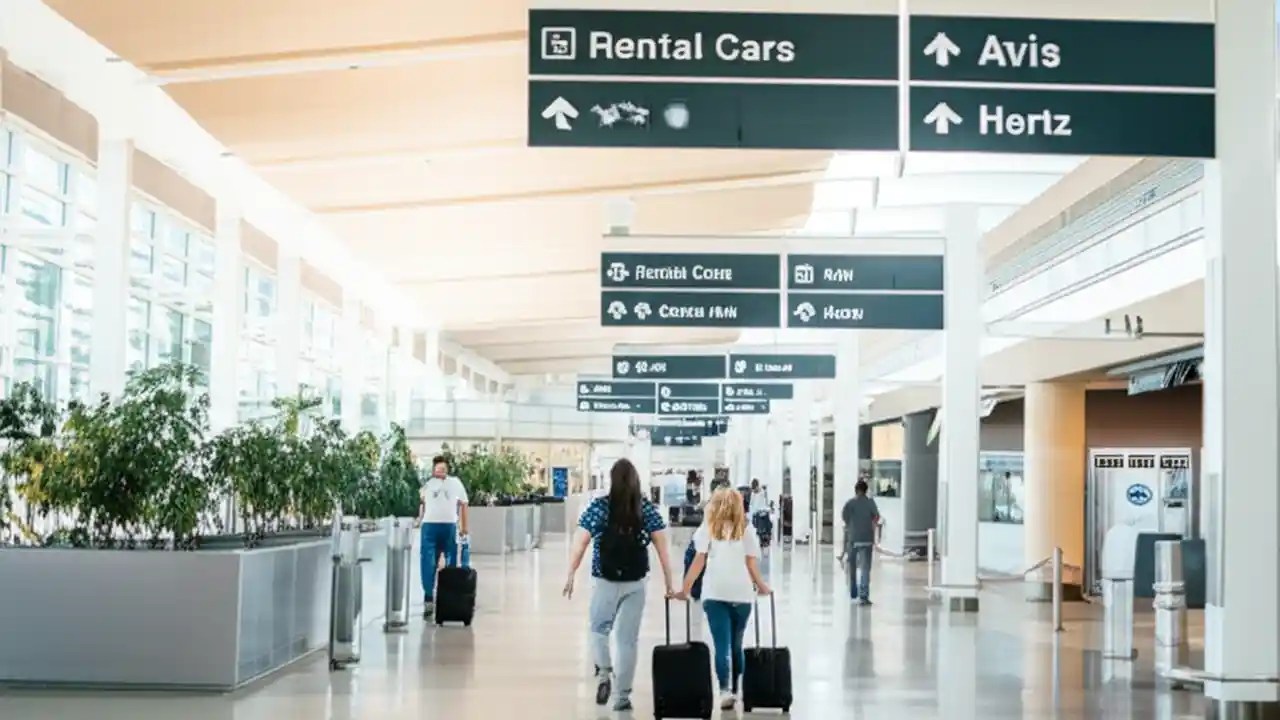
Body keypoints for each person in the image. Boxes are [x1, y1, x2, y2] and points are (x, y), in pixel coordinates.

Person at [564, 458, 674, 712]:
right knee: (627, 641)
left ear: (611, 481)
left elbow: (580, 542)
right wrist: (669, 582)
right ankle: (622, 696)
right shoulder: (645, 509)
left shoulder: (600, 507)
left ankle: (604, 672)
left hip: (605, 579)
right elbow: (662, 548)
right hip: (636, 582)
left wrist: (571, 573)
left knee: (598, 629)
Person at [674, 488, 771, 711]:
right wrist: (763, 587)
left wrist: (684, 589)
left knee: (721, 645)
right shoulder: (747, 530)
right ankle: (737, 690)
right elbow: (751, 564)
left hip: (715, 593)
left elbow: (698, 561)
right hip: (742, 594)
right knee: (737, 645)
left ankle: (725, 690)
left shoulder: (708, 528)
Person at [417, 455, 470, 618]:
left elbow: (464, 504)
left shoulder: (455, 483)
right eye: (437, 469)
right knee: (428, 562)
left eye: (443, 468)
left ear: (447, 469)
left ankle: (449, 599)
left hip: (449, 527)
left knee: (451, 563)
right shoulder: (428, 485)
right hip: (429, 528)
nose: (440, 471)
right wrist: (419, 520)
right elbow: (423, 504)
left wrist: (464, 528)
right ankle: (428, 598)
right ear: (433, 470)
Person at [842, 480, 881, 605]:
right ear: (866, 490)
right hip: (867, 539)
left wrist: (852, 525)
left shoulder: (850, 503)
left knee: (852, 566)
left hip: (853, 538)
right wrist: (870, 524)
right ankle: (863, 596)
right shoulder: (870, 503)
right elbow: (876, 516)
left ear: (856, 490)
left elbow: (845, 517)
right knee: (865, 568)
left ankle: (853, 591)